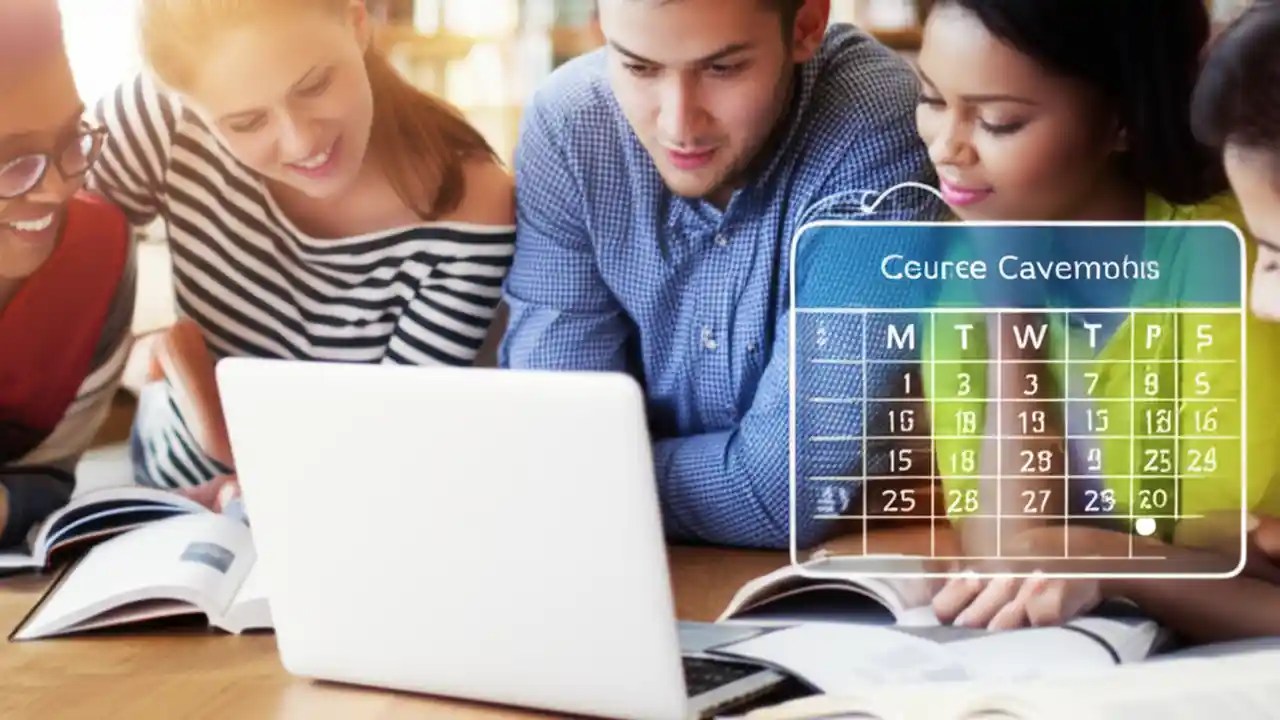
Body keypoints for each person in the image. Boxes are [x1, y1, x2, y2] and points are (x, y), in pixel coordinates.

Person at [499, 0, 942, 550]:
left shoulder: (876, 118)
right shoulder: (568, 127)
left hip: (837, 572)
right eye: (638, 67)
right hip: (623, 567)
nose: (678, 124)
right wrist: (569, 473)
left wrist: (590, 481)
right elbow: (557, 437)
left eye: (723, 68)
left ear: (806, 25)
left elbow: (786, 490)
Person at [916, 0, 1280, 642]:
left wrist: (1093, 554)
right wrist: (1010, 297)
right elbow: (1002, 559)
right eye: (931, 100)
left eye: (999, 122)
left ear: (1122, 121)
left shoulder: (1225, 253)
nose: (946, 147)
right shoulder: (968, 266)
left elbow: (1230, 560)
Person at [90, 0, 516, 503]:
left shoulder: (472, 206)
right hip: (160, 492)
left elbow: (391, 437)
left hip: (342, 503)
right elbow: (50, 266)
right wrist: (144, 352)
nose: (300, 143)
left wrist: (231, 460)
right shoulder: (159, 117)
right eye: (247, 123)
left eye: (314, 86)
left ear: (358, 24)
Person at [0, 0, 135, 547]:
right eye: (12, 161)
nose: (59, 189)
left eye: (69, 138)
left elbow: (49, 478)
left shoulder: (98, 257)